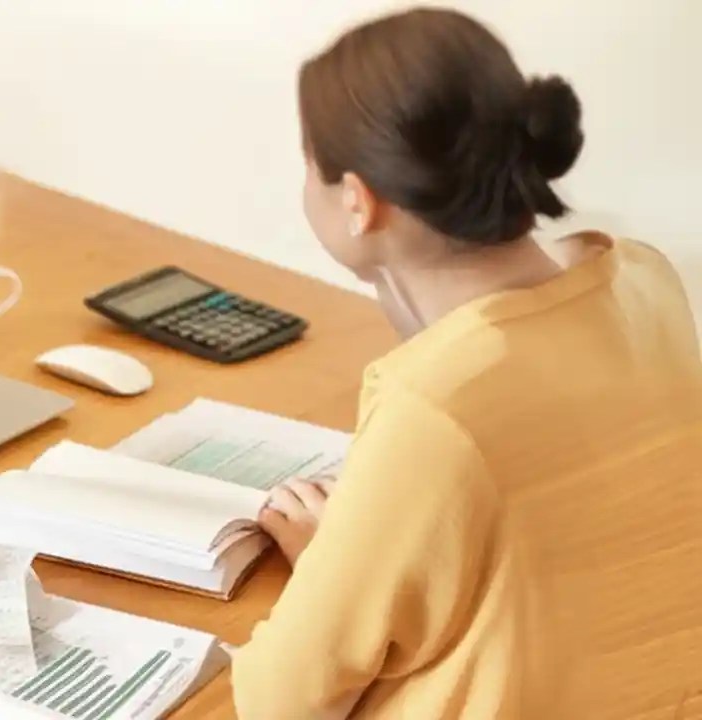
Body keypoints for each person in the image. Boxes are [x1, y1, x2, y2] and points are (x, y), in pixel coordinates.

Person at [231, 8, 702, 719]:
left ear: (357, 202)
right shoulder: (644, 280)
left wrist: (335, 567)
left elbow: (280, 701)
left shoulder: (437, 402)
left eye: (309, 165)